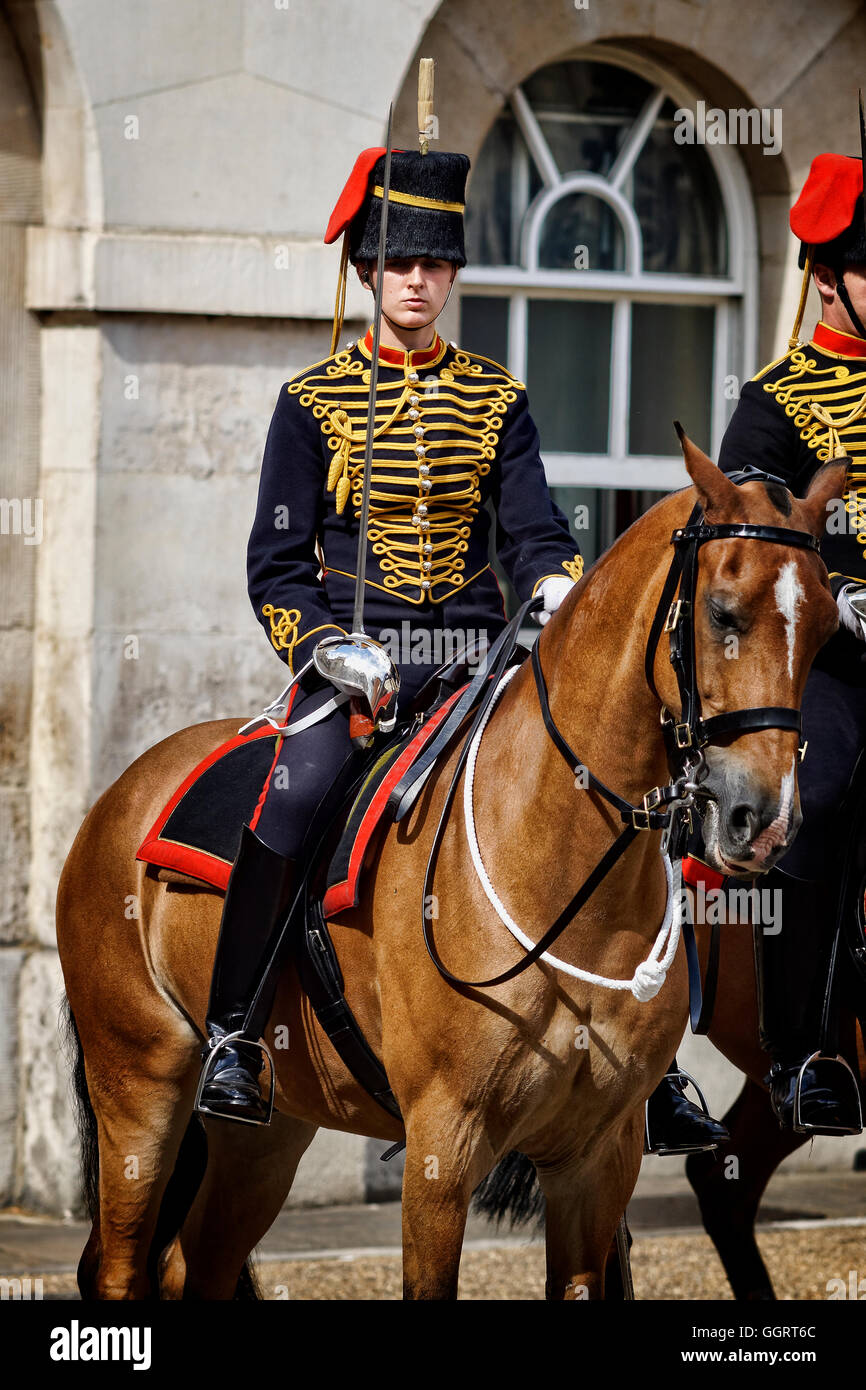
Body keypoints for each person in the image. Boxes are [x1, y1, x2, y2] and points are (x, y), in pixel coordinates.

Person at [195, 141, 728, 1147]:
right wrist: (322, 648)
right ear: (367, 272)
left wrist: (557, 584)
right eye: (400, 263)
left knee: (618, 800)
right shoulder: (309, 402)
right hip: (357, 664)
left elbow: (530, 536)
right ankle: (232, 1033)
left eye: (434, 264)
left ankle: (652, 1070)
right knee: (298, 788)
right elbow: (275, 568)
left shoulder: (495, 397)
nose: (417, 280)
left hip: (479, 662)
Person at [691, 129, 866, 1135]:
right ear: (821, 277)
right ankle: (802, 1051)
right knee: (823, 788)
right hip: (829, 661)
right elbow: (748, 555)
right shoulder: (773, 403)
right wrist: (842, 597)